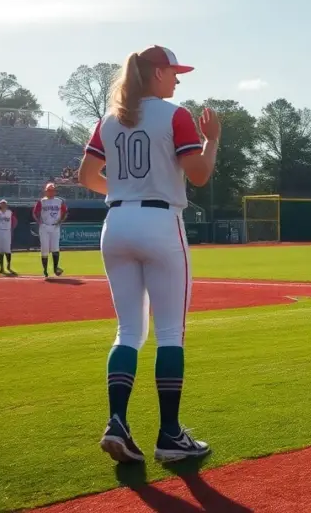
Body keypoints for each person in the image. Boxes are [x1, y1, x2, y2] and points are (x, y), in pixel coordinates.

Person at [77, 45, 219, 464]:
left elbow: (86, 177)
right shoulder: (174, 115)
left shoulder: (108, 119)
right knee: (170, 333)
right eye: (173, 72)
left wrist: (126, 192)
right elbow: (199, 175)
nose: (177, 79)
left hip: (116, 224)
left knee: (128, 332)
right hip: (160, 222)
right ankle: (170, 437)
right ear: (157, 72)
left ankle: (117, 422)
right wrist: (212, 140)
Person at [33, 183, 67, 279]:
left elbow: (65, 212)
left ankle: (56, 268)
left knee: (55, 248)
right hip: (44, 226)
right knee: (44, 249)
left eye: (52, 190)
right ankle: (45, 270)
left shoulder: (59, 201)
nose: (51, 192)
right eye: (49, 190)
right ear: (46, 191)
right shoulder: (42, 201)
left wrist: (61, 221)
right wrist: (39, 222)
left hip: (55, 226)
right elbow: (35, 213)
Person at [0, 199, 17, 274]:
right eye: (2, 203)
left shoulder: (10, 212)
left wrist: (12, 229)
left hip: (7, 231)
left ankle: (8, 265)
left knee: (7, 249)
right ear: (0, 205)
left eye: (4, 203)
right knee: (0, 250)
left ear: (6, 205)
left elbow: (15, 221)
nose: (3, 205)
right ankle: (1, 267)